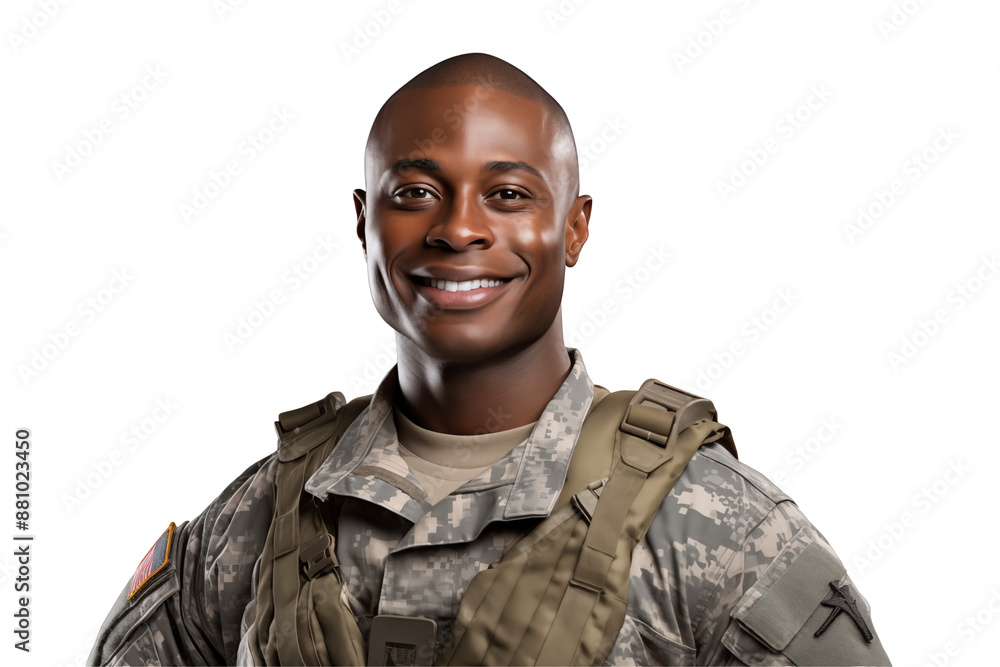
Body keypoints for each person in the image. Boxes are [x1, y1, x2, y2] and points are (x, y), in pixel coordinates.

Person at [88, 52, 890, 666]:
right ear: (365, 222)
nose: (458, 228)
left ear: (574, 228)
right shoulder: (264, 515)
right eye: (415, 193)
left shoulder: (719, 525)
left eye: (507, 194)